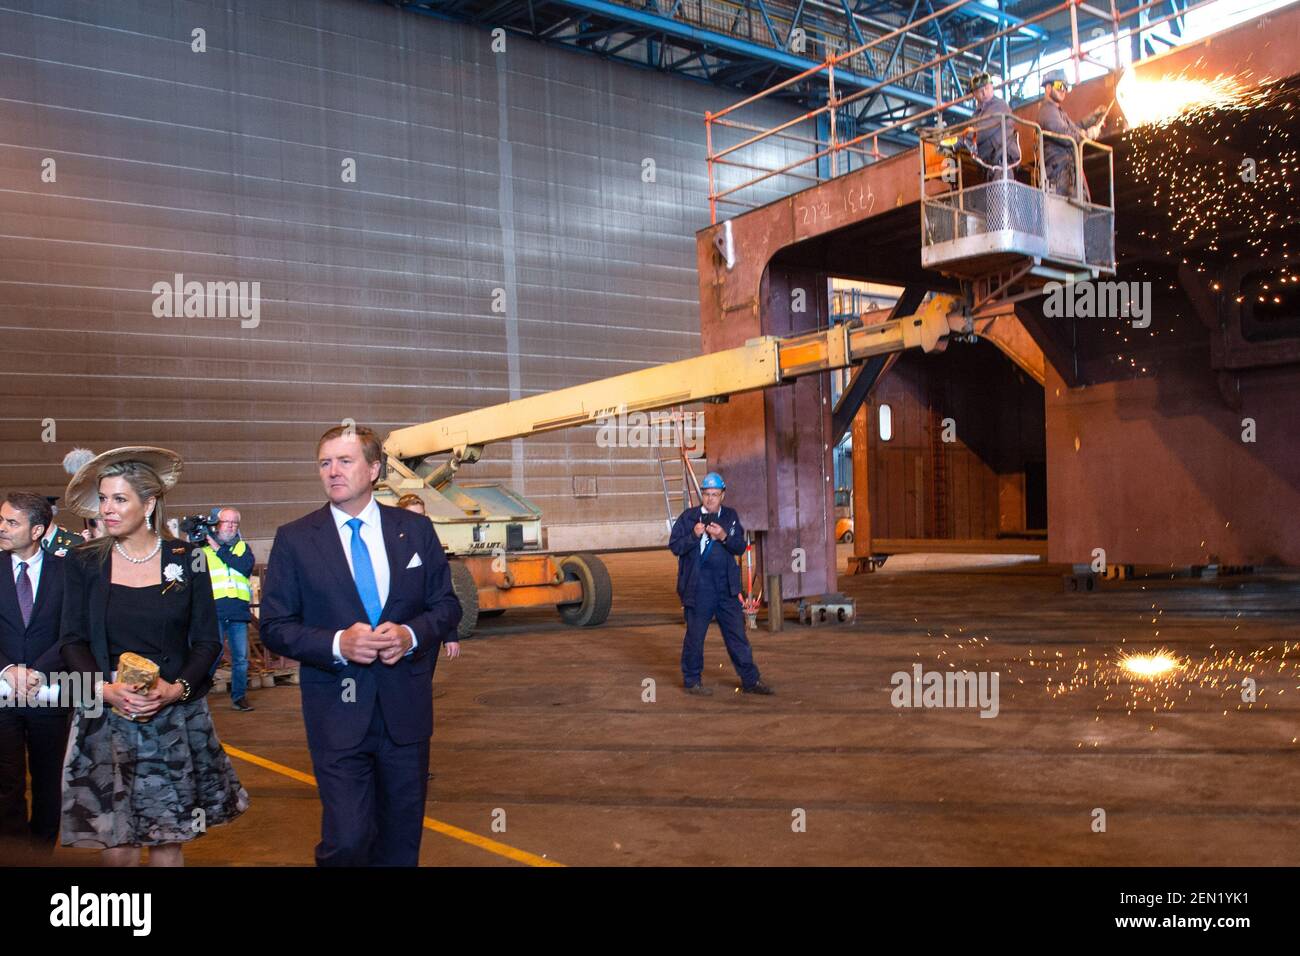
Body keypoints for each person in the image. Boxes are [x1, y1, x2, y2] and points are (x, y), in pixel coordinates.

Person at [260, 424, 462, 866]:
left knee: (401, 842)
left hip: (405, 713)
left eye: (345, 461)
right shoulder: (296, 539)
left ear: (373, 469)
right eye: (324, 463)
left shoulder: (415, 530)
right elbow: (274, 626)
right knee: (347, 839)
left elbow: (447, 606)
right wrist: (338, 643)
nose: (332, 471)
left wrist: (410, 635)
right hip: (336, 716)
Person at [59, 446, 248, 865]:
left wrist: (175, 690)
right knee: (117, 843)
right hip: (105, 716)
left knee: (167, 838)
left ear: (148, 504)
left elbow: (206, 641)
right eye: (103, 498)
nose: (107, 509)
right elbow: (71, 640)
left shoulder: (188, 558)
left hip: (172, 718)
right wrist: (103, 690)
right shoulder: (83, 561)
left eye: (119, 499)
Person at [0, 492, 71, 853]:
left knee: (48, 781)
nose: (2, 528)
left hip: (51, 691)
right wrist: (8, 668)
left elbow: (73, 631)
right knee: (6, 782)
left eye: (12, 522)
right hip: (2, 693)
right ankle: (14, 854)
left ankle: (41, 853)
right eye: (1, 520)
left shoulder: (66, 572)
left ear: (37, 530)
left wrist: (38, 670)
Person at [668, 472, 772, 697]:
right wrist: (693, 536)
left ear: (722, 495)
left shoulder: (730, 517)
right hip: (699, 589)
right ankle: (692, 681)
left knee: (737, 636)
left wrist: (724, 536)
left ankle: (751, 680)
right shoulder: (689, 518)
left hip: (726, 589)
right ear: (702, 495)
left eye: (715, 494)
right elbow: (675, 546)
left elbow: (739, 547)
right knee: (695, 637)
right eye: (706, 494)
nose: (710, 499)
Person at [201, 508, 256, 711]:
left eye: (235, 523)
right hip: (213, 611)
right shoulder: (202, 551)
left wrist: (219, 550)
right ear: (217, 524)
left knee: (240, 659)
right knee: (211, 657)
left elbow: (245, 567)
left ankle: (239, 697)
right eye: (227, 522)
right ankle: (199, 696)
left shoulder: (243, 548)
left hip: (237, 612)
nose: (231, 526)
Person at [1039, 69, 1105, 199]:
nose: (1063, 90)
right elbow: (1064, 134)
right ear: (1048, 88)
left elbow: (1074, 128)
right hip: (1060, 175)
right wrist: (1087, 135)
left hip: (1068, 173)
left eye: (1066, 87)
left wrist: (1093, 118)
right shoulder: (1047, 112)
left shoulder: (1058, 112)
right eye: (1059, 85)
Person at [963, 72, 1021, 179]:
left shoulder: (999, 106)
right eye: (980, 91)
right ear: (974, 94)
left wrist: (958, 141)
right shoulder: (976, 115)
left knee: (1001, 189)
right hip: (989, 167)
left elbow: (982, 131)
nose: (984, 93)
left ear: (992, 87)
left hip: (1002, 165)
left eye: (986, 88)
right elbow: (971, 132)